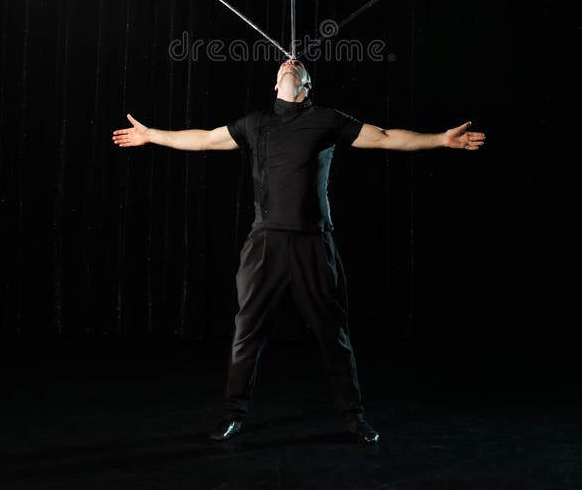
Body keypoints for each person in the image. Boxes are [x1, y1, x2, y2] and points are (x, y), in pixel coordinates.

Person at [112, 59, 485, 444]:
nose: (289, 64)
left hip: (312, 242)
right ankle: (232, 414)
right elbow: (205, 139)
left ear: (307, 84)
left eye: (297, 67)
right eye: (282, 67)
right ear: (276, 86)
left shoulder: (326, 119)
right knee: (247, 332)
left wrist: (441, 138)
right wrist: (152, 134)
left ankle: (354, 417)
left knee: (332, 331)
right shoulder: (255, 123)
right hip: (266, 243)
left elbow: (387, 136)